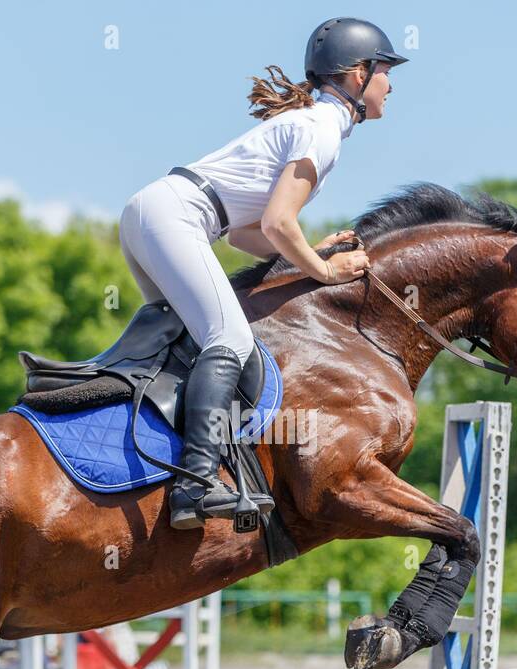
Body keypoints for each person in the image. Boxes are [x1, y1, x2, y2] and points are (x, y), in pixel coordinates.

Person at [119, 17, 408, 529]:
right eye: (386, 70)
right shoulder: (322, 129)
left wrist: (308, 250)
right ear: (358, 74)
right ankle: (195, 484)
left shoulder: (314, 122)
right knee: (228, 340)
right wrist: (324, 269)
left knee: (190, 341)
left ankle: (156, 459)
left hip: (157, 213)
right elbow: (277, 224)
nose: (392, 84)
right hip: (177, 216)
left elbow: (246, 235)